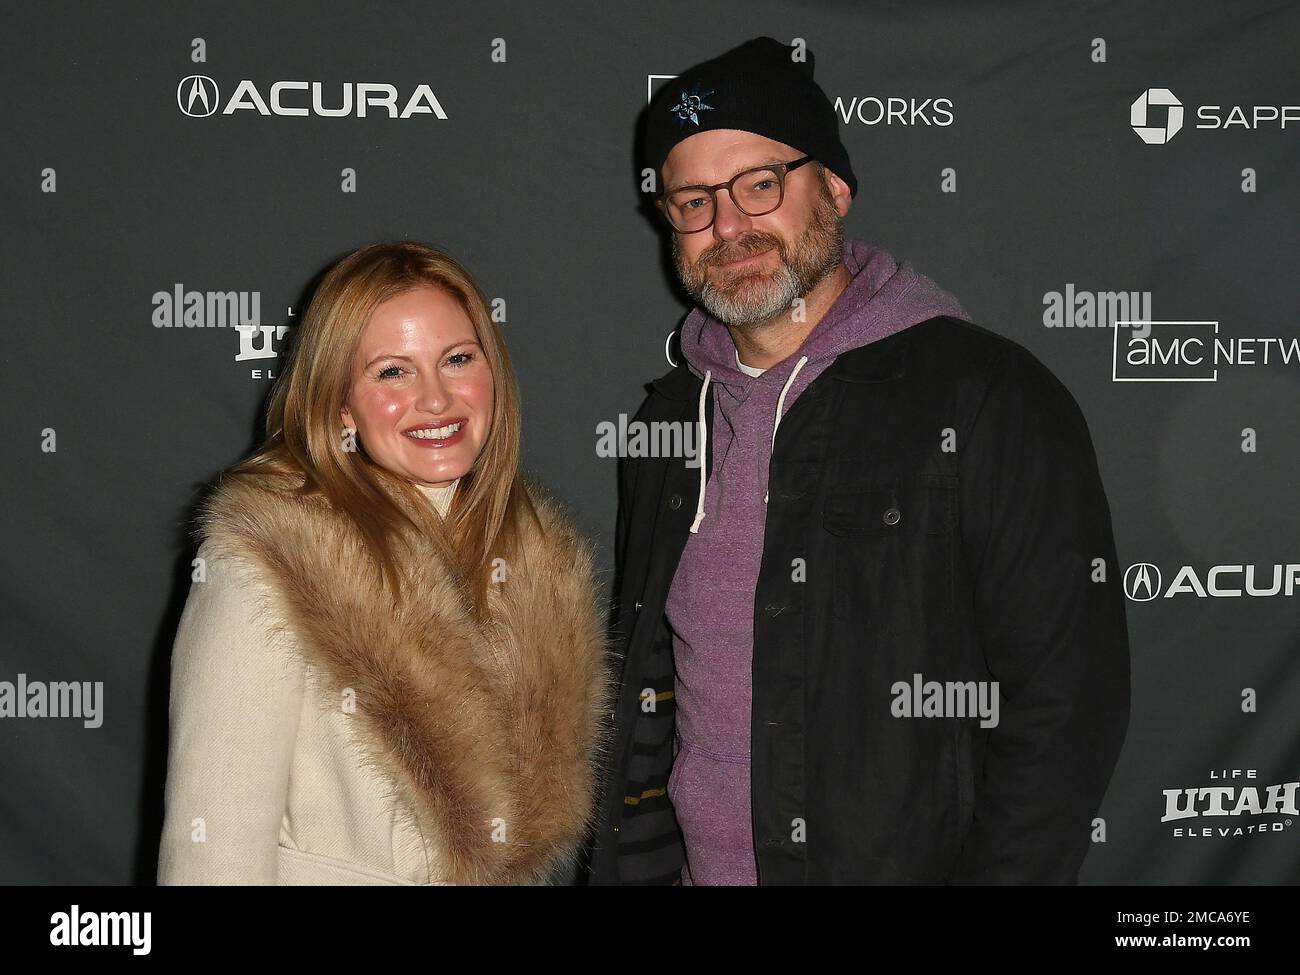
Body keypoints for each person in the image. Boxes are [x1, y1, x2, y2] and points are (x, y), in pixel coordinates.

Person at [590, 37, 1130, 884]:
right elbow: (646, 706)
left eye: (760, 184)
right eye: (691, 201)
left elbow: (1068, 708)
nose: (728, 225)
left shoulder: (985, 396)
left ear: (835, 188)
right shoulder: (669, 421)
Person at [158, 241, 610, 885]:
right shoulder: (268, 560)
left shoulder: (541, 563)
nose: (435, 398)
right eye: (392, 372)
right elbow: (211, 856)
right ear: (340, 404)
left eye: (457, 359)